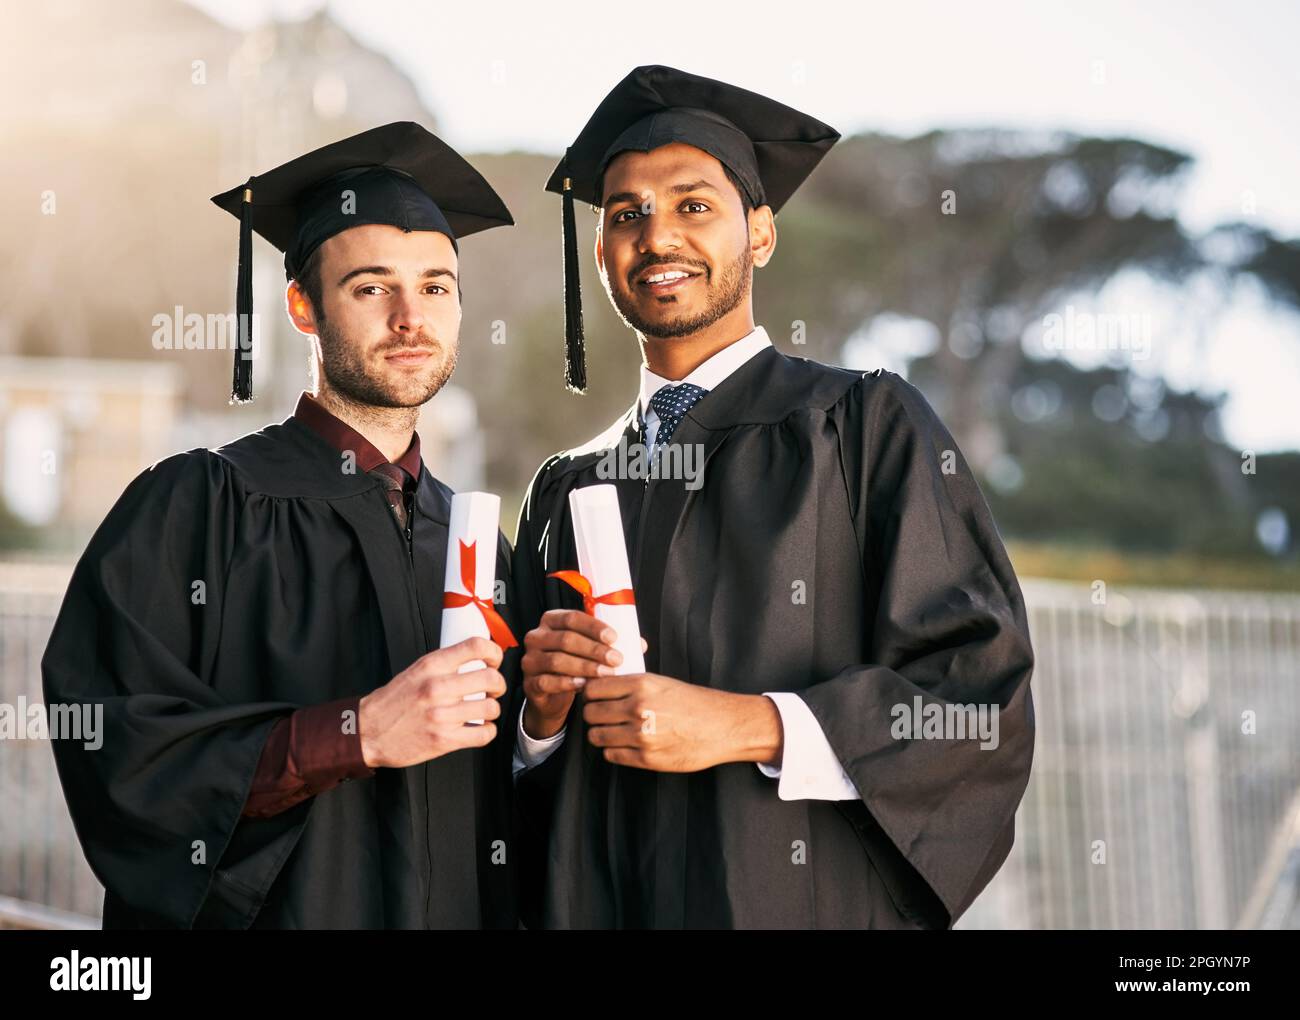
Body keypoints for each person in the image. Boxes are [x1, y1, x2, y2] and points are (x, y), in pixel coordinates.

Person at [511, 66, 1036, 929]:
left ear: (760, 234)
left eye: (693, 205)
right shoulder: (568, 484)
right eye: (626, 214)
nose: (657, 235)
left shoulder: (864, 423)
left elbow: (976, 705)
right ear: (601, 252)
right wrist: (540, 718)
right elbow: (508, 790)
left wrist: (752, 726)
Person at [42, 122, 522, 929]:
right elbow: (113, 746)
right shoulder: (197, 504)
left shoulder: (479, 548)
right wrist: (356, 732)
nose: (411, 317)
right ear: (302, 305)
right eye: (371, 288)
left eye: (436, 287)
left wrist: (545, 723)